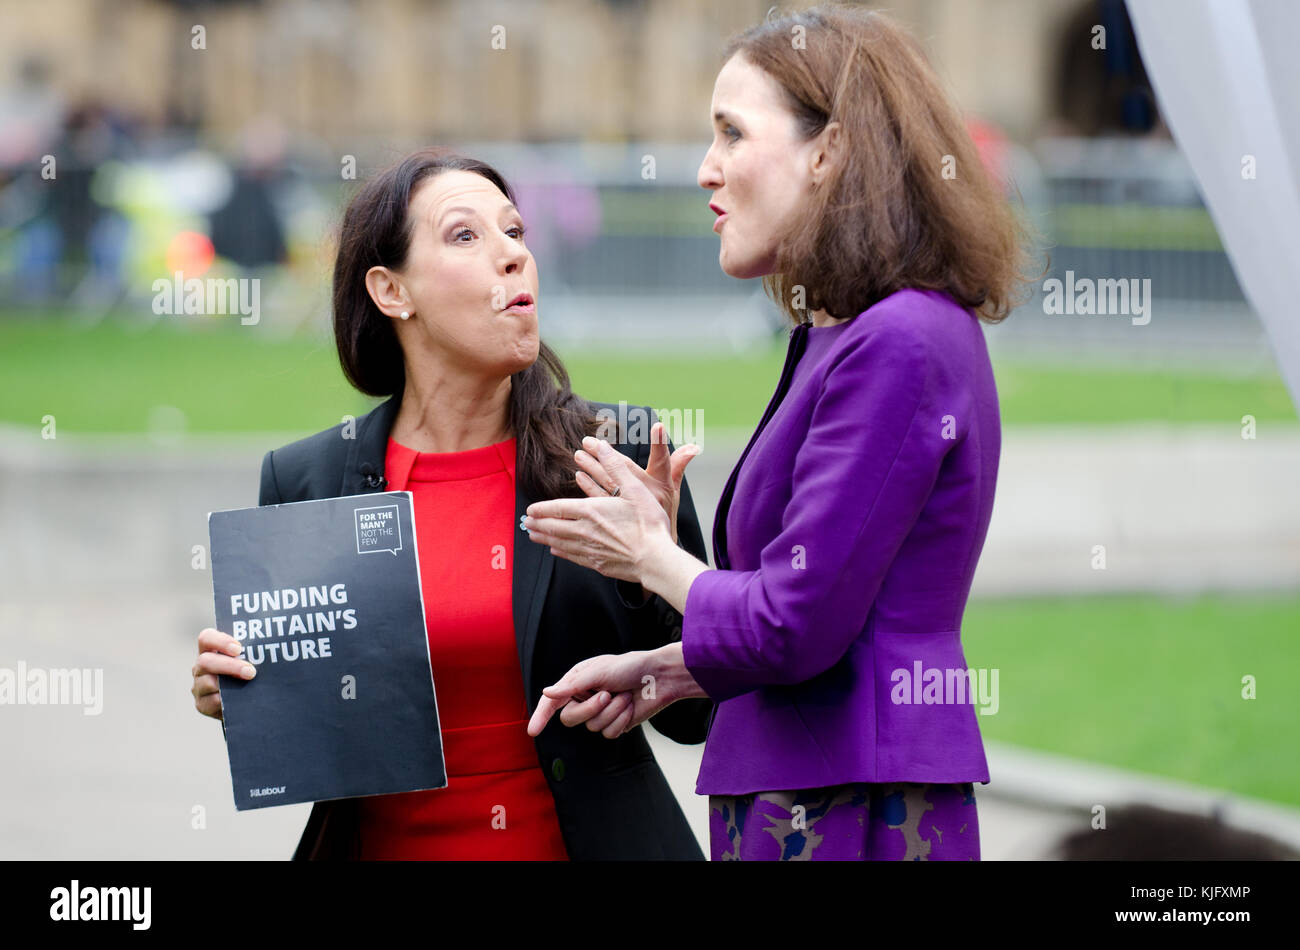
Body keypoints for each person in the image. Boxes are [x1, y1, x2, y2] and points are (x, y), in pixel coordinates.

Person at [523, 5, 1033, 861]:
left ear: (829, 151)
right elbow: (824, 613)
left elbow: (797, 625)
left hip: (850, 804)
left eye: (730, 134)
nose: (704, 170)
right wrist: (675, 667)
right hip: (815, 785)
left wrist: (652, 551)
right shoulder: (852, 334)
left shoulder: (899, 338)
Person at [191, 148, 714, 860]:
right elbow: (315, 733)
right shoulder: (307, 478)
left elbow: (701, 718)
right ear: (391, 291)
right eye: (466, 235)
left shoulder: (610, 452)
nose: (512, 257)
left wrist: (651, 565)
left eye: (516, 232)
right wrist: (250, 696)